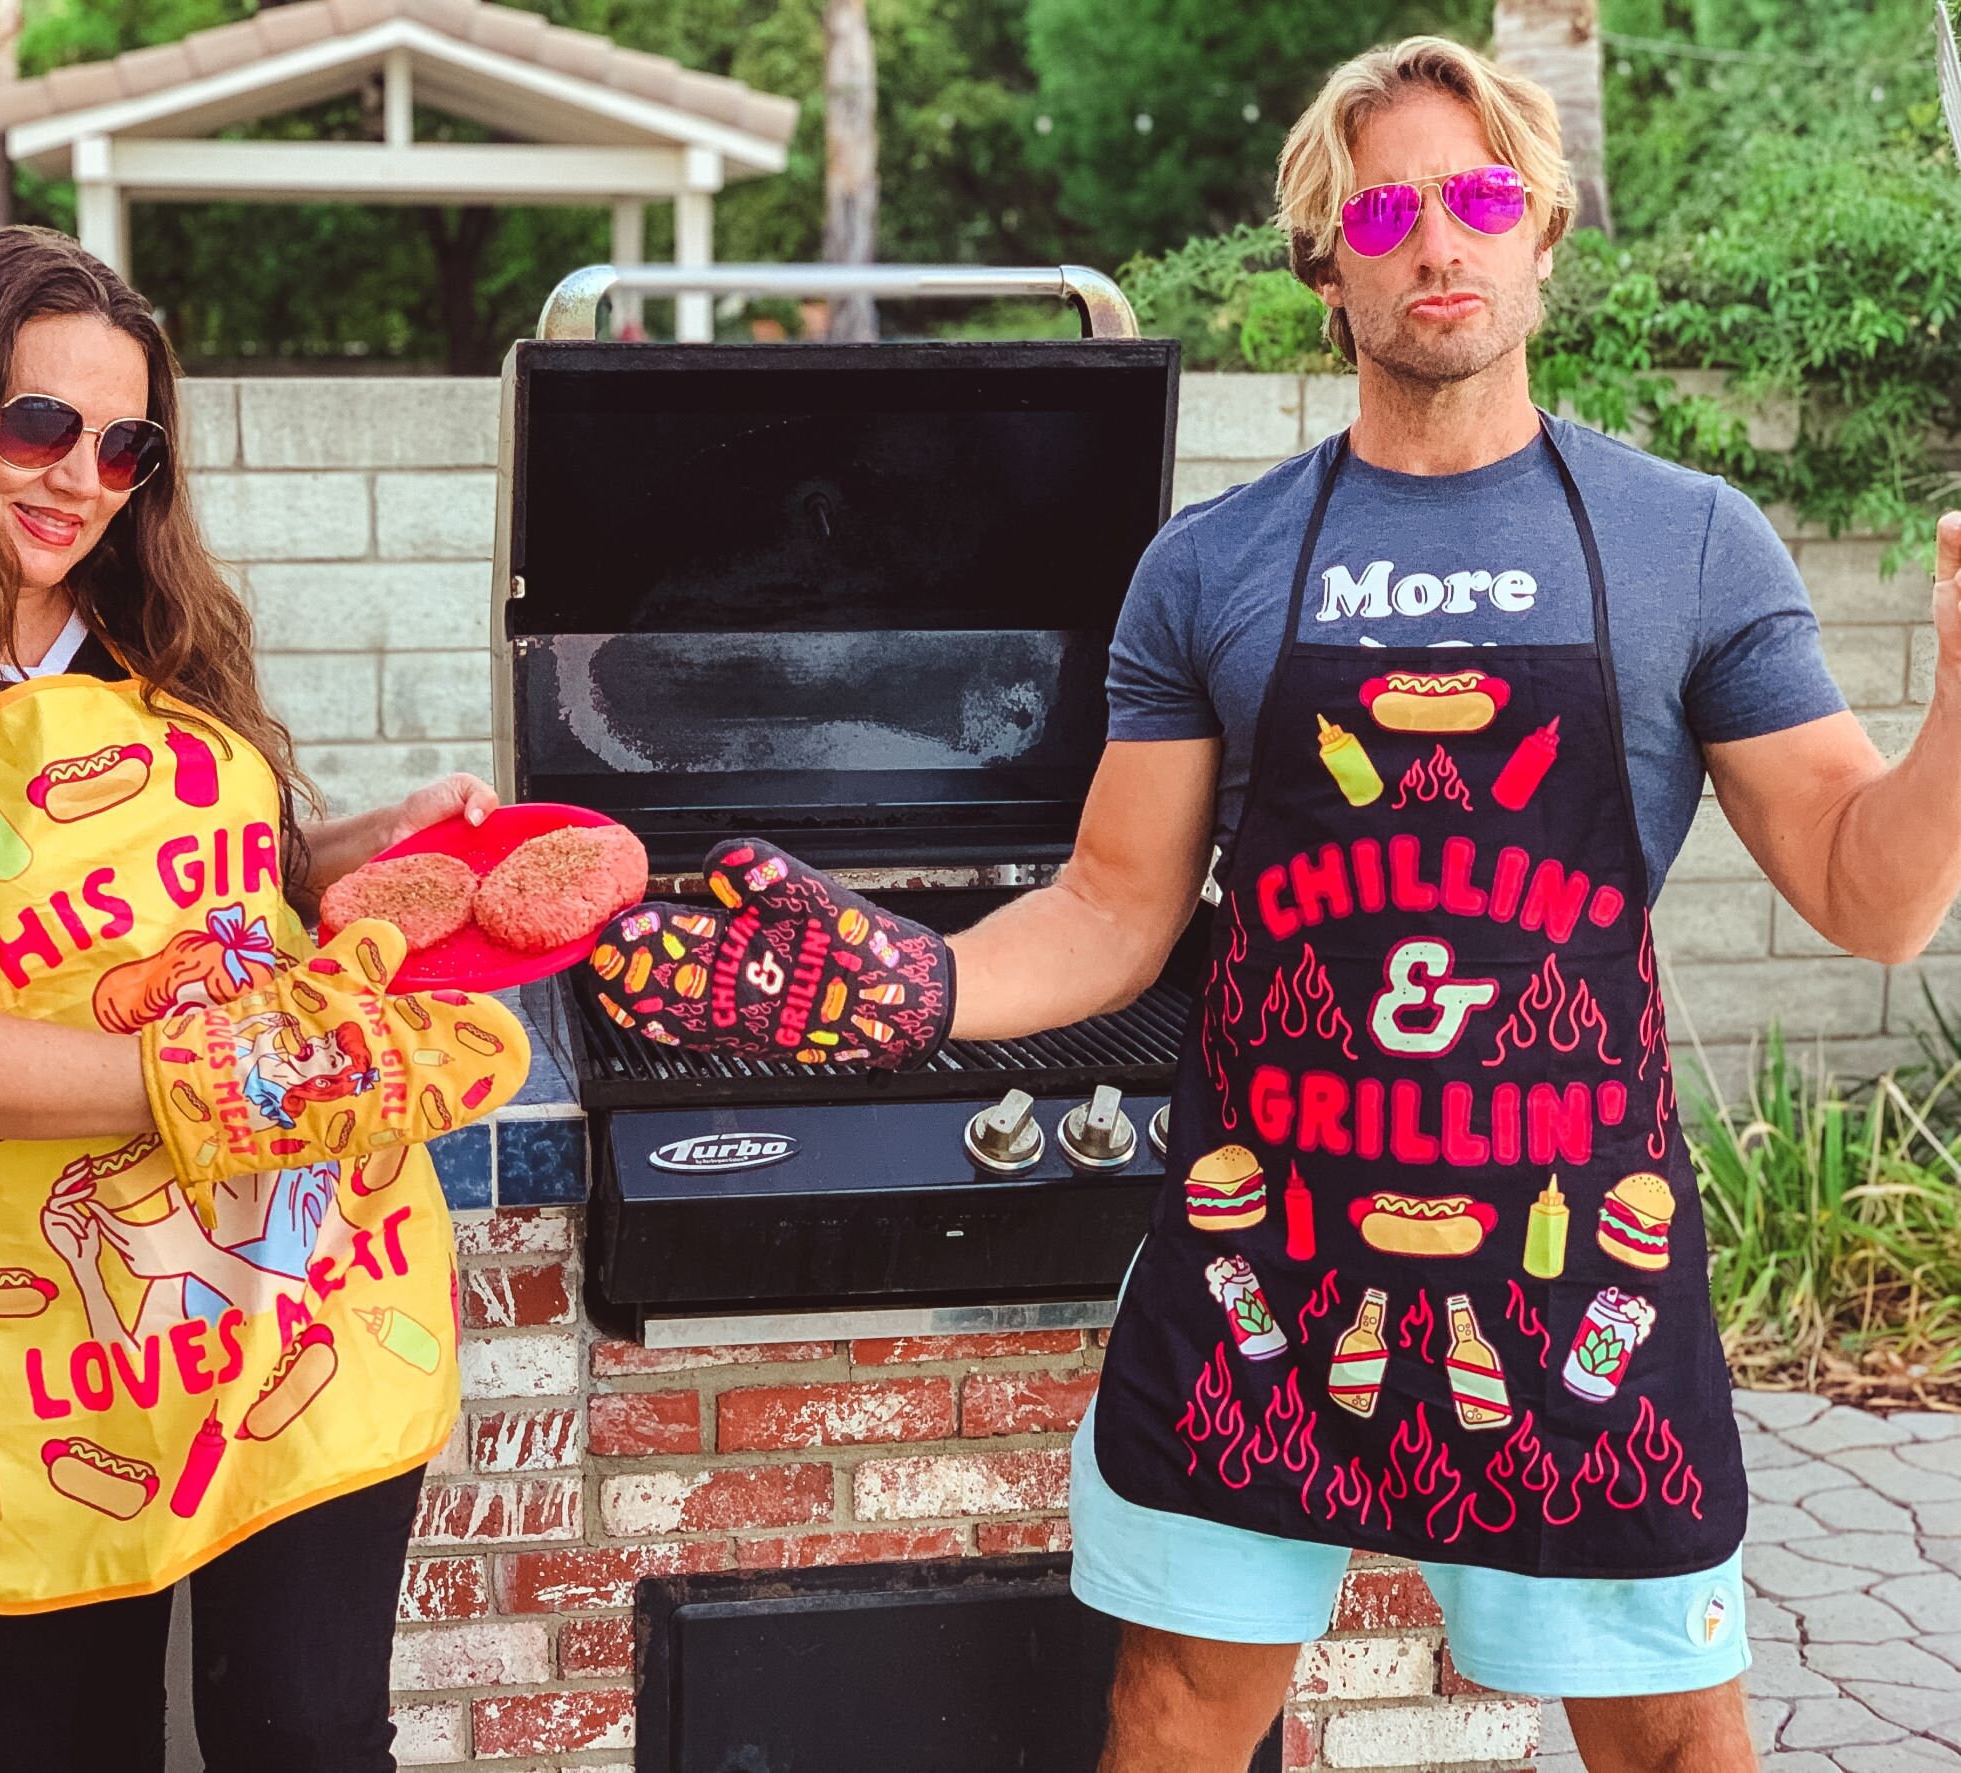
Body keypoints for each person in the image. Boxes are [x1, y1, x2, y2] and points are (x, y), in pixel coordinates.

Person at [585, 36, 1961, 1773]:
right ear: (1326, 259)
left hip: (1571, 1267)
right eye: (1384, 206)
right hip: (1265, 1254)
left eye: (1475, 197)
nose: (1434, 241)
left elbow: (1872, 892)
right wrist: (916, 983)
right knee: (1170, 1716)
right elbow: (1111, 905)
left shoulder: (1690, 540)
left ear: (1543, 230)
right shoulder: (1213, 563)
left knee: (1676, 1741)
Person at [0, 225, 529, 1772]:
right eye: (36, 424)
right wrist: (242, 1087)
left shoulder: (155, 635)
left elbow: (250, 899)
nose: (79, 475)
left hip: (310, 1285)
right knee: (70, 1747)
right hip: (55, 1337)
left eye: (124, 443)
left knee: (306, 1734)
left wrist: (391, 847)